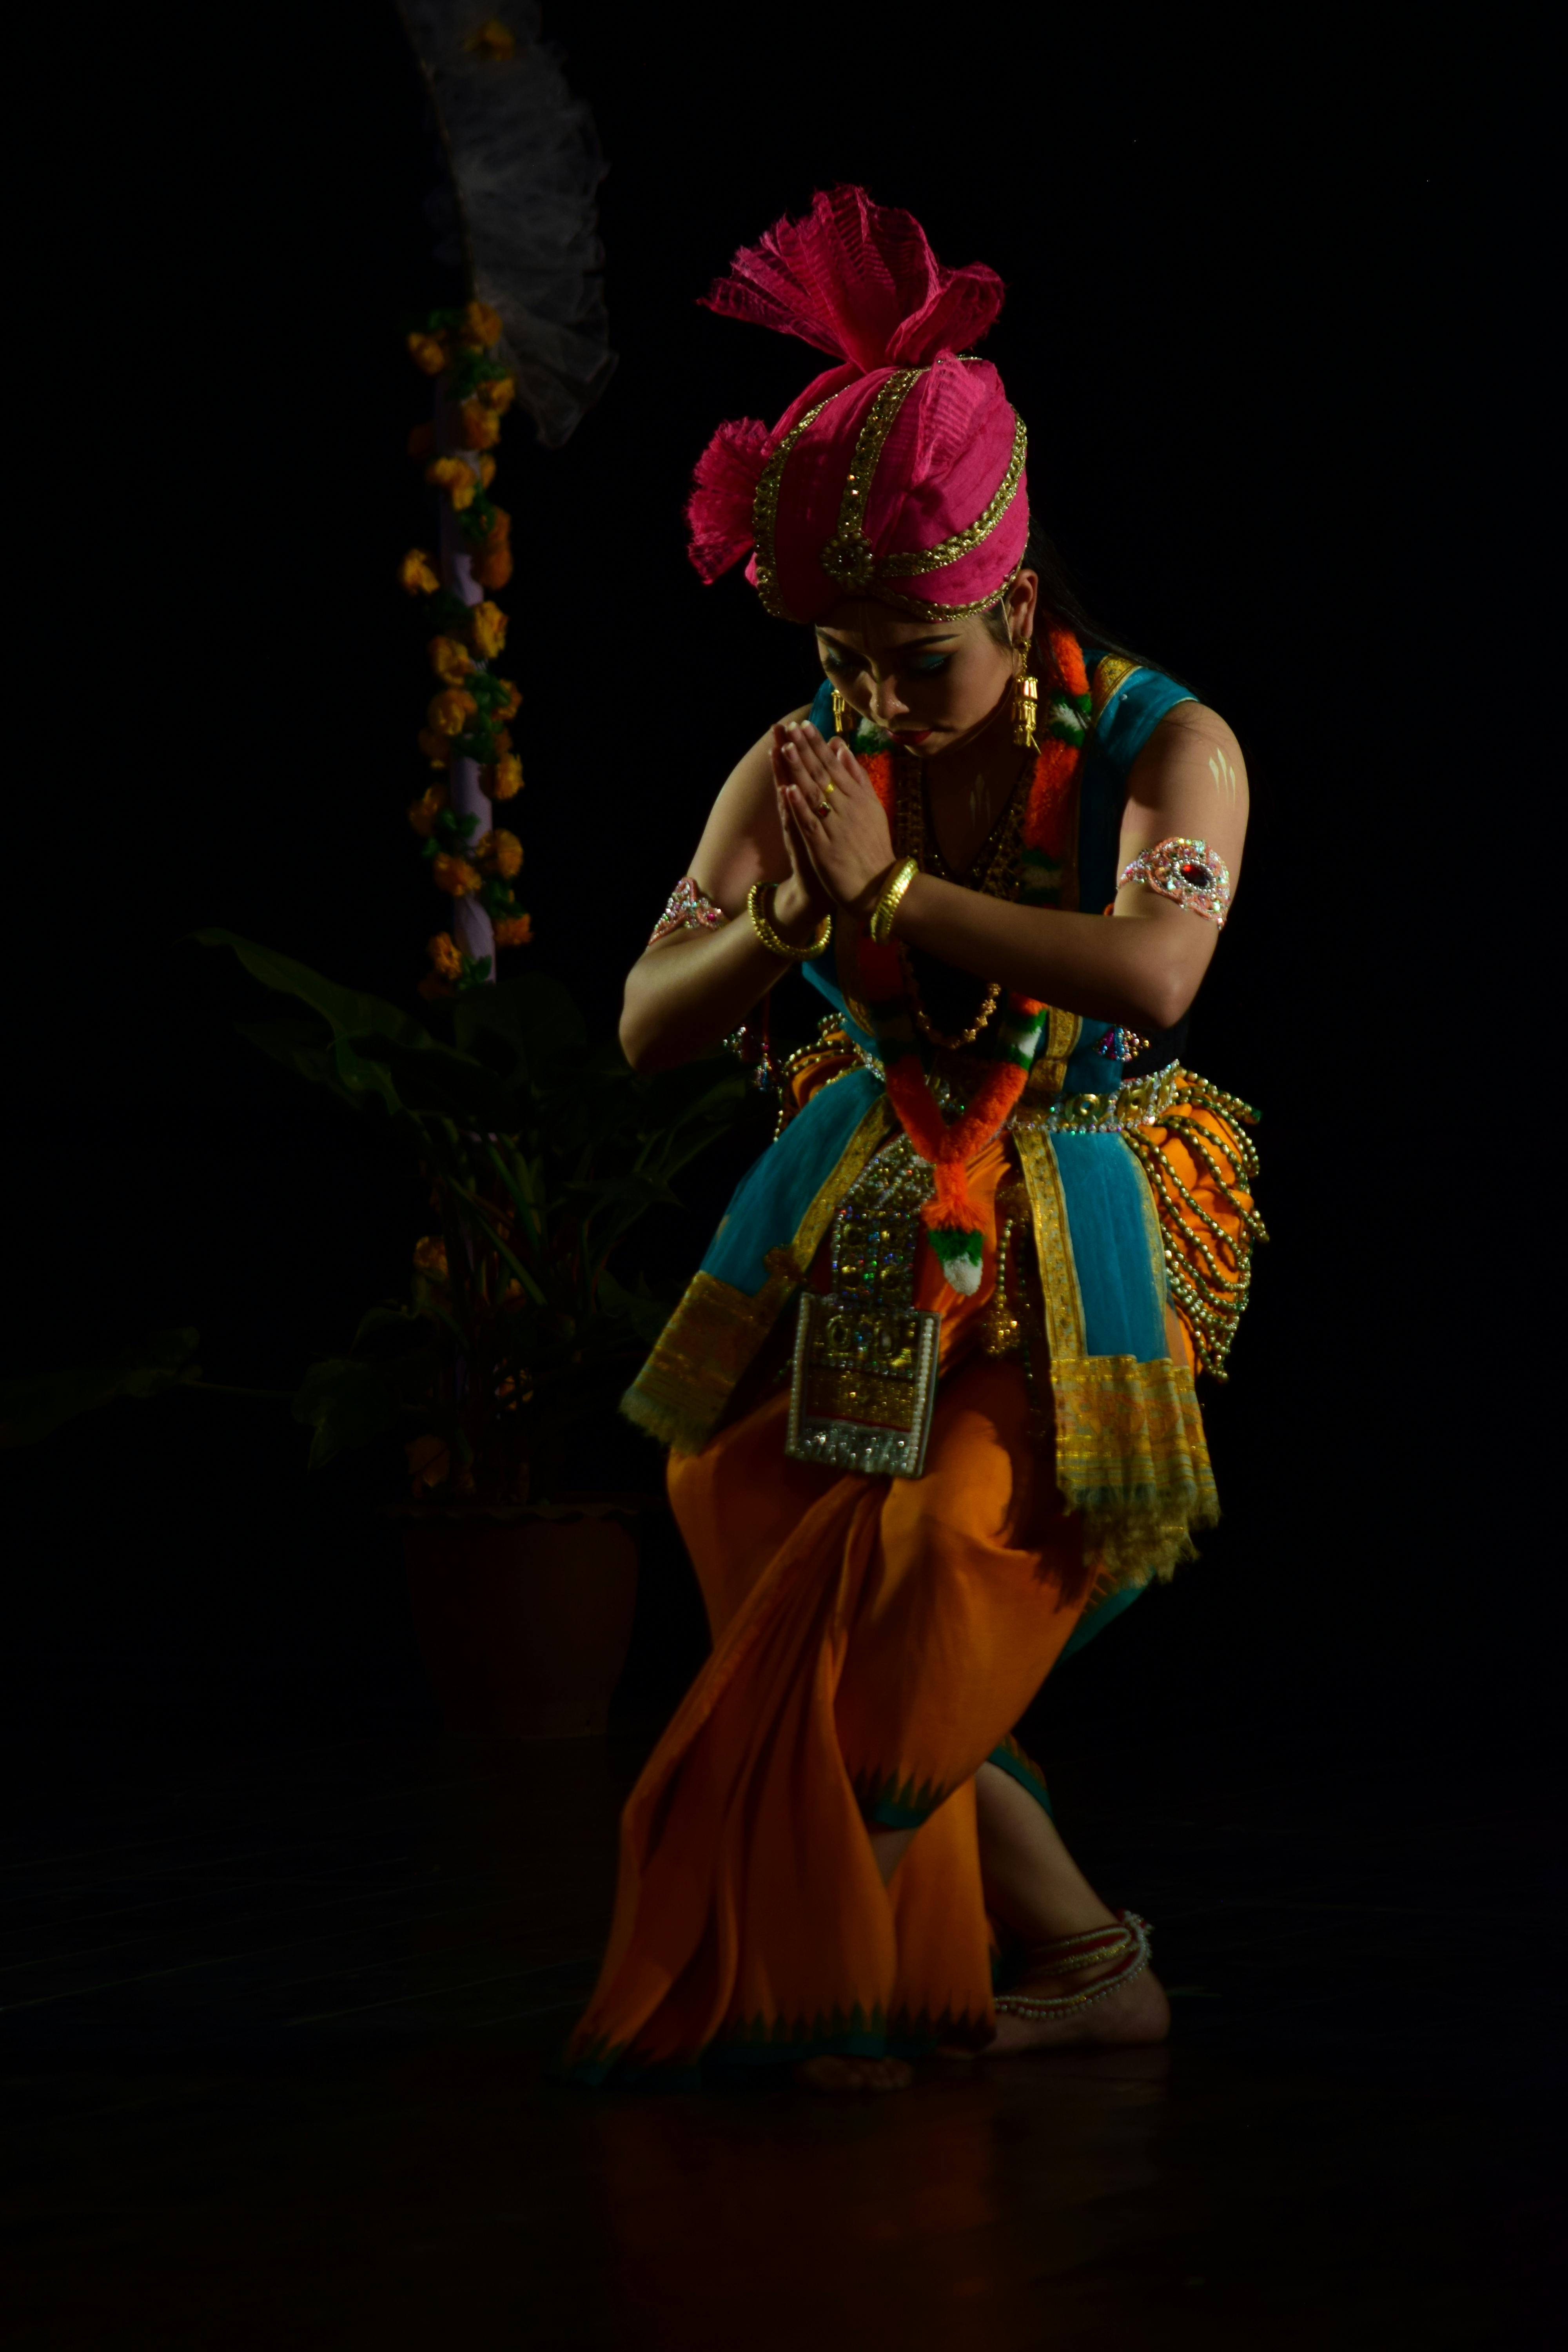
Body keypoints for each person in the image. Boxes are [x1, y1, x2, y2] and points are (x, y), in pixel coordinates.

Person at [565, 187, 1262, 2094]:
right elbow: (642, 1020)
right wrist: (794, 921)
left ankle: (834, 1957)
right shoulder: (805, 757)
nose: (871, 693)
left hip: (1078, 1215)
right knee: (748, 1518)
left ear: (1016, 604)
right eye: (842, 653)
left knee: (945, 1565)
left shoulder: (1163, 749)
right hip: (865, 1200)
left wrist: (898, 902)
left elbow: (1155, 974)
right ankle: (1084, 1960)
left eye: (916, 656)